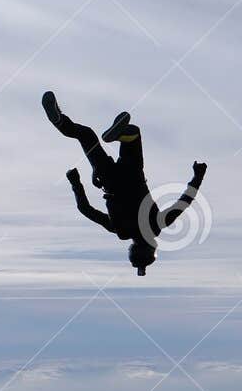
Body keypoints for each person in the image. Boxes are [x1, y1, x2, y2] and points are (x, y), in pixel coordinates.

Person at [43, 91, 207, 275]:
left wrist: (198, 176)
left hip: (133, 174)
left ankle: (122, 136)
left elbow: (185, 201)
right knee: (85, 135)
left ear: (152, 248)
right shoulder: (119, 230)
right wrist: (76, 182)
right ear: (132, 248)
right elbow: (85, 209)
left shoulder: (157, 224)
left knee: (134, 133)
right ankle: (59, 121)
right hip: (108, 179)